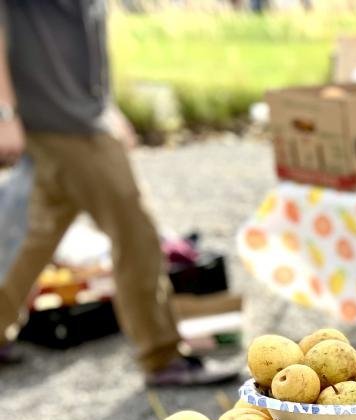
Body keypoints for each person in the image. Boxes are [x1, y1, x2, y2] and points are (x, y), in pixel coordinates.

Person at [0, 0, 237, 385]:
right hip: (70, 127)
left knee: (36, 237)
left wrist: (105, 107)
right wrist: (4, 113)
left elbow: (84, 43)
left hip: (76, 119)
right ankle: (162, 356)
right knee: (135, 234)